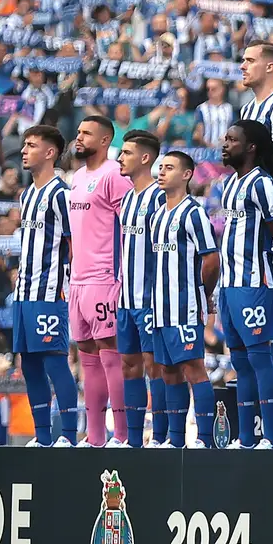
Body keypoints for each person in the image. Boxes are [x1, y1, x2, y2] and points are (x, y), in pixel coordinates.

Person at [65, 114, 131, 447]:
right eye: (78, 131)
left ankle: (122, 434)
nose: (79, 137)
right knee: (87, 357)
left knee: (111, 355)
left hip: (105, 278)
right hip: (78, 281)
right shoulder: (77, 176)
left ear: (105, 140)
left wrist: (122, 278)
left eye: (86, 133)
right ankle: (95, 438)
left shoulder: (114, 175)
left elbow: (132, 227)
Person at [217, 119, 273, 449]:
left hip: (255, 283)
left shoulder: (263, 184)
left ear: (251, 147)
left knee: (259, 360)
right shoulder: (231, 184)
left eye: (232, 139)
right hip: (230, 287)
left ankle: (270, 437)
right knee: (239, 363)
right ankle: (246, 437)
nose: (225, 144)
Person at [148, 148, 220, 449]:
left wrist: (201, 294)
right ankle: (175, 441)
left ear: (187, 175)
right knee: (167, 371)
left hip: (186, 306)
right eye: (160, 167)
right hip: (160, 308)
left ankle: (204, 438)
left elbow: (211, 259)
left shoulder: (193, 213)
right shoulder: (155, 216)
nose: (161, 172)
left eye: (169, 168)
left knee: (193, 368)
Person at [13, 124, 78, 446]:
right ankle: (41, 438)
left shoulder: (60, 194)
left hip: (51, 290)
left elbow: (73, 241)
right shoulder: (27, 195)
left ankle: (68, 435)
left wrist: (72, 283)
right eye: (24, 145)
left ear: (50, 153)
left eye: (31, 145)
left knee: (54, 360)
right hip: (24, 292)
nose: (24, 150)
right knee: (30, 365)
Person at [113, 130, 163, 446]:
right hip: (126, 297)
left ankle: (159, 437)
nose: (120, 158)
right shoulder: (128, 198)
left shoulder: (159, 196)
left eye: (127, 153)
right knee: (128, 365)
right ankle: (132, 439)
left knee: (154, 366)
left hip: (149, 298)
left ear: (145, 158)